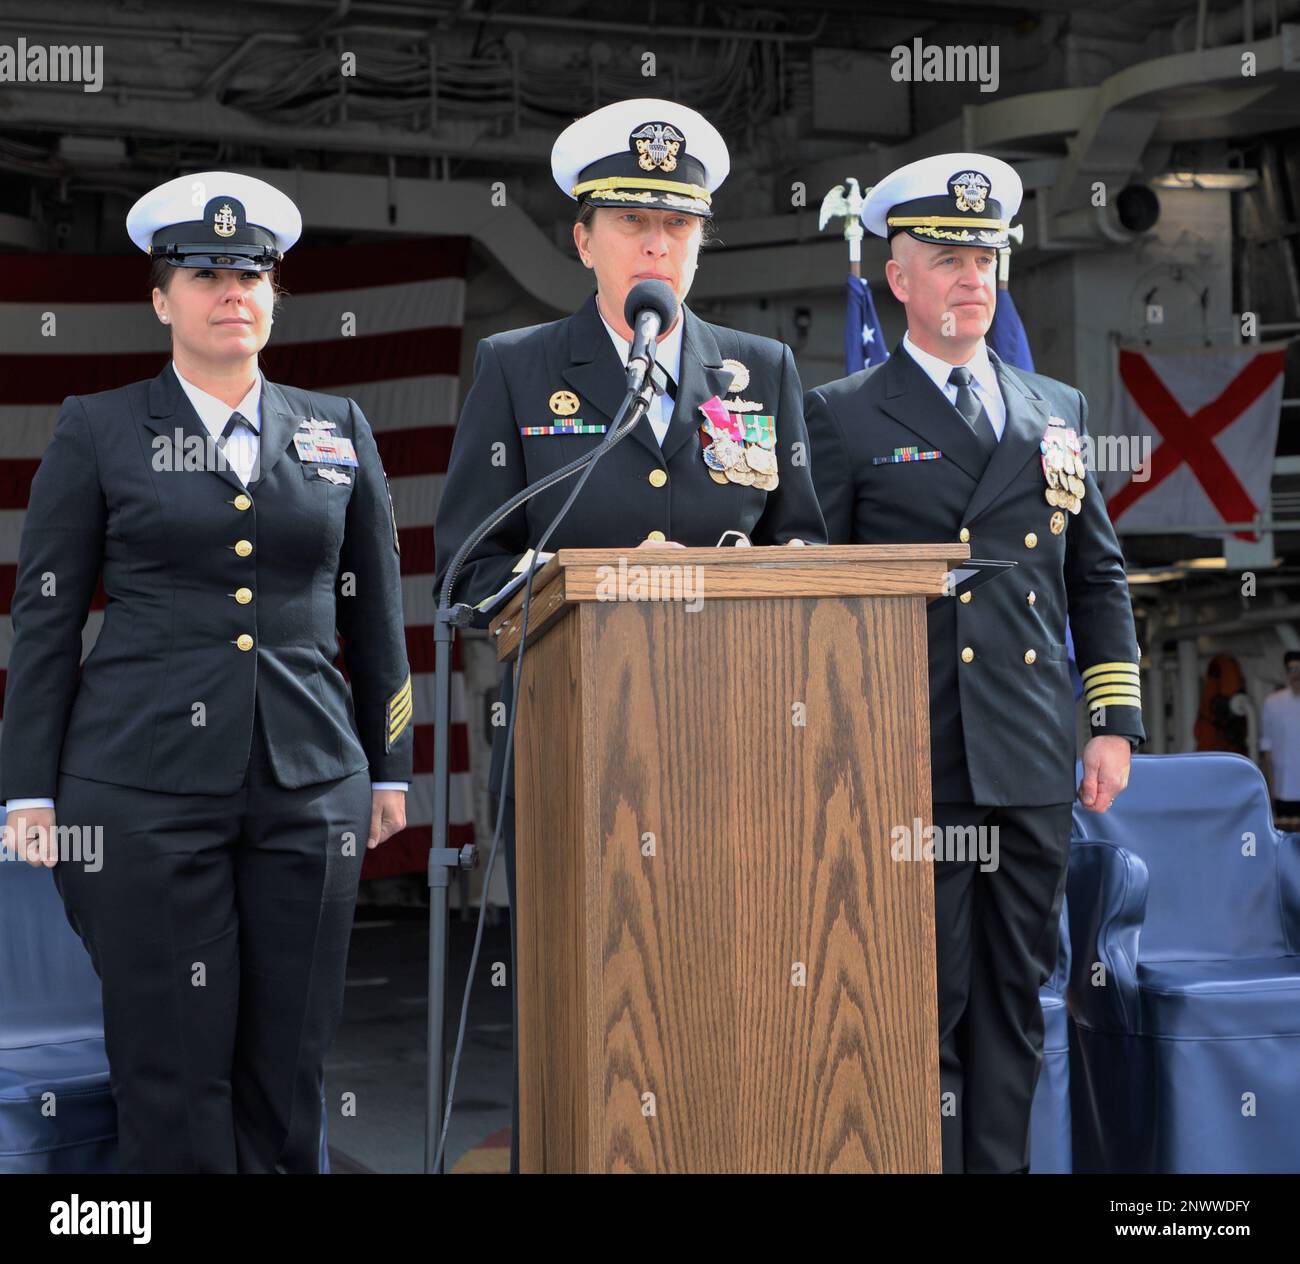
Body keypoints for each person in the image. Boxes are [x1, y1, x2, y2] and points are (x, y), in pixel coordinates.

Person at [433, 97, 826, 1171]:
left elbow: (804, 548)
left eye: (679, 224)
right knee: (587, 990)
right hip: (572, 743)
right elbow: (466, 565)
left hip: (743, 737)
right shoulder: (520, 366)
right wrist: (590, 579)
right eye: (633, 221)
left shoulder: (762, 370)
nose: (658, 242)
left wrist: (762, 572)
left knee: (734, 974)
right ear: (582, 238)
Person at [1, 171, 413, 1173]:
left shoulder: (336, 430)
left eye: (253, 272)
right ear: (160, 298)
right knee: (172, 1073)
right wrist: (26, 788)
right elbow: (46, 616)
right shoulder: (97, 427)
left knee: (289, 1070)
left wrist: (389, 762)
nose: (233, 290)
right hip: (138, 793)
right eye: (205, 272)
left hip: (308, 781)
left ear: (275, 293)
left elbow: (376, 606)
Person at [803, 153, 1145, 1174]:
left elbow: (1097, 578)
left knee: (1014, 997)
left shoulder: (1056, 408)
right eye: (947, 256)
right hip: (914, 754)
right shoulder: (843, 414)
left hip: (1031, 752)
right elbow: (813, 593)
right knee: (919, 1000)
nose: (972, 275)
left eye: (985, 254)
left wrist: (1112, 722)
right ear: (895, 278)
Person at [1260, 650, 1300, 821]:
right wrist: (1269, 788)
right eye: (1292, 669)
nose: (1296, 674)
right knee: (1286, 841)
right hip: (1283, 788)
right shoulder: (1272, 703)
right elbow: (1266, 747)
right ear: (1286, 672)